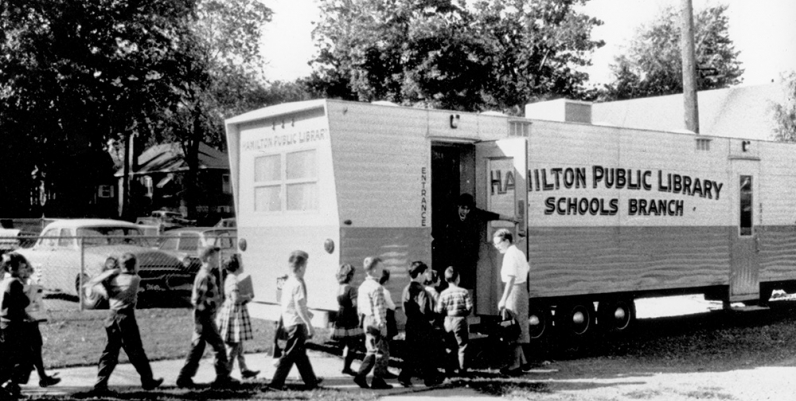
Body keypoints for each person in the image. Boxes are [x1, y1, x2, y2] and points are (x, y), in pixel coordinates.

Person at [88, 253, 163, 396]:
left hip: (111, 317)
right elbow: (133, 274)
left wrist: (110, 272)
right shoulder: (135, 279)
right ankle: (147, 381)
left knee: (110, 352)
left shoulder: (112, 280)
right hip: (126, 317)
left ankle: (100, 384)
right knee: (136, 351)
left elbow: (90, 283)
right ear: (134, 265)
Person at [176, 246, 239, 389]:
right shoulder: (205, 276)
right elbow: (198, 300)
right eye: (216, 257)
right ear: (209, 258)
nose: (219, 260)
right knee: (219, 346)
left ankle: (184, 378)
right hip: (204, 317)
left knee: (197, 348)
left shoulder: (206, 274)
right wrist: (200, 320)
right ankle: (223, 378)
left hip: (204, 316)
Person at [438, 193, 518, 290]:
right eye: (463, 208)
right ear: (458, 206)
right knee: (451, 281)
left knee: (466, 283)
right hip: (454, 255)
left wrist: (510, 219)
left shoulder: (474, 213)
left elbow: (491, 215)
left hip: (469, 256)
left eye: (468, 209)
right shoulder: (451, 216)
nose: (466, 211)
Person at [268, 250, 321, 390]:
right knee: (290, 355)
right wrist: (309, 324)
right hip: (296, 324)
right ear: (302, 267)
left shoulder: (289, 282)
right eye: (306, 266)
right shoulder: (297, 284)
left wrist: (306, 312)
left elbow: (291, 303)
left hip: (290, 321)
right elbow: (299, 305)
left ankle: (311, 383)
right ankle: (276, 383)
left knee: (300, 356)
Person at [16, 256, 60, 389]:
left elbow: (35, 301)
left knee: (36, 349)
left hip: (31, 320)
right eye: (23, 268)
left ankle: (43, 377)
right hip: (21, 321)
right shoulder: (12, 282)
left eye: (27, 268)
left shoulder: (28, 281)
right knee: (25, 354)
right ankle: (16, 382)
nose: (26, 271)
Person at [397, 261, 442, 388]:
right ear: (420, 273)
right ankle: (430, 378)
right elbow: (425, 309)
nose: (426, 276)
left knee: (412, 352)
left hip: (411, 323)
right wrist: (431, 319)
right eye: (425, 273)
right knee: (427, 352)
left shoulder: (406, 288)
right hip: (422, 325)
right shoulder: (421, 290)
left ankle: (405, 377)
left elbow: (405, 307)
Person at [493, 228, 530, 376]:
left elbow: (511, 279)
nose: (496, 247)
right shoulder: (518, 252)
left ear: (506, 241)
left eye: (498, 244)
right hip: (521, 290)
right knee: (518, 326)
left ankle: (514, 366)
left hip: (514, 291)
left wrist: (503, 299)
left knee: (513, 329)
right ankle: (523, 361)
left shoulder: (510, 255)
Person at [216, 254, 259, 379]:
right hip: (233, 316)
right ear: (236, 266)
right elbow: (235, 299)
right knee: (233, 346)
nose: (243, 264)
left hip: (235, 314)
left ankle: (244, 369)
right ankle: (225, 375)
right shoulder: (233, 280)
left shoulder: (231, 278)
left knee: (238, 345)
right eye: (241, 262)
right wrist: (247, 297)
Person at [353, 256, 392, 390]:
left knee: (371, 350)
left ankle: (361, 375)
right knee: (382, 351)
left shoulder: (362, 286)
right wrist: (382, 324)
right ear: (375, 270)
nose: (383, 271)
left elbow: (359, 306)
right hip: (375, 321)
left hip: (365, 320)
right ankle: (377, 379)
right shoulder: (377, 288)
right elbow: (379, 307)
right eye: (381, 268)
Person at [0, 253, 34, 397]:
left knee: (10, 358)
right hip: (13, 326)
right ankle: (11, 385)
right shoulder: (14, 283)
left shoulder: (4, 281)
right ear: (13, 268)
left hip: (5, 323)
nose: (24, 269)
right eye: (21, 266)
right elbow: (24, 302)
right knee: (22, 357)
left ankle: (11, 386)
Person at [435, 266, 472, 377]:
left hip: (448, 320)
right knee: (462, 346)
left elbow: (439, 309)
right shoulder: (464, 291)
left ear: (446, 279)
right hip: (460, 319)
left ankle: (449, 371)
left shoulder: (443, 293)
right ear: (457, 278)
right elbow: (469, 307)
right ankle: (462, 370)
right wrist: (464, 312)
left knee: (449, 346)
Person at [330, 263, 362, 376]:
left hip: (341, 316)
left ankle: (346, 365)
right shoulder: (352, 289)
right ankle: (347, 367)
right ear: (350, 276)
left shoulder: (339, 289)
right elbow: (355, 304)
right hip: (350, 317)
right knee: (354, 344)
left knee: (346, 342)